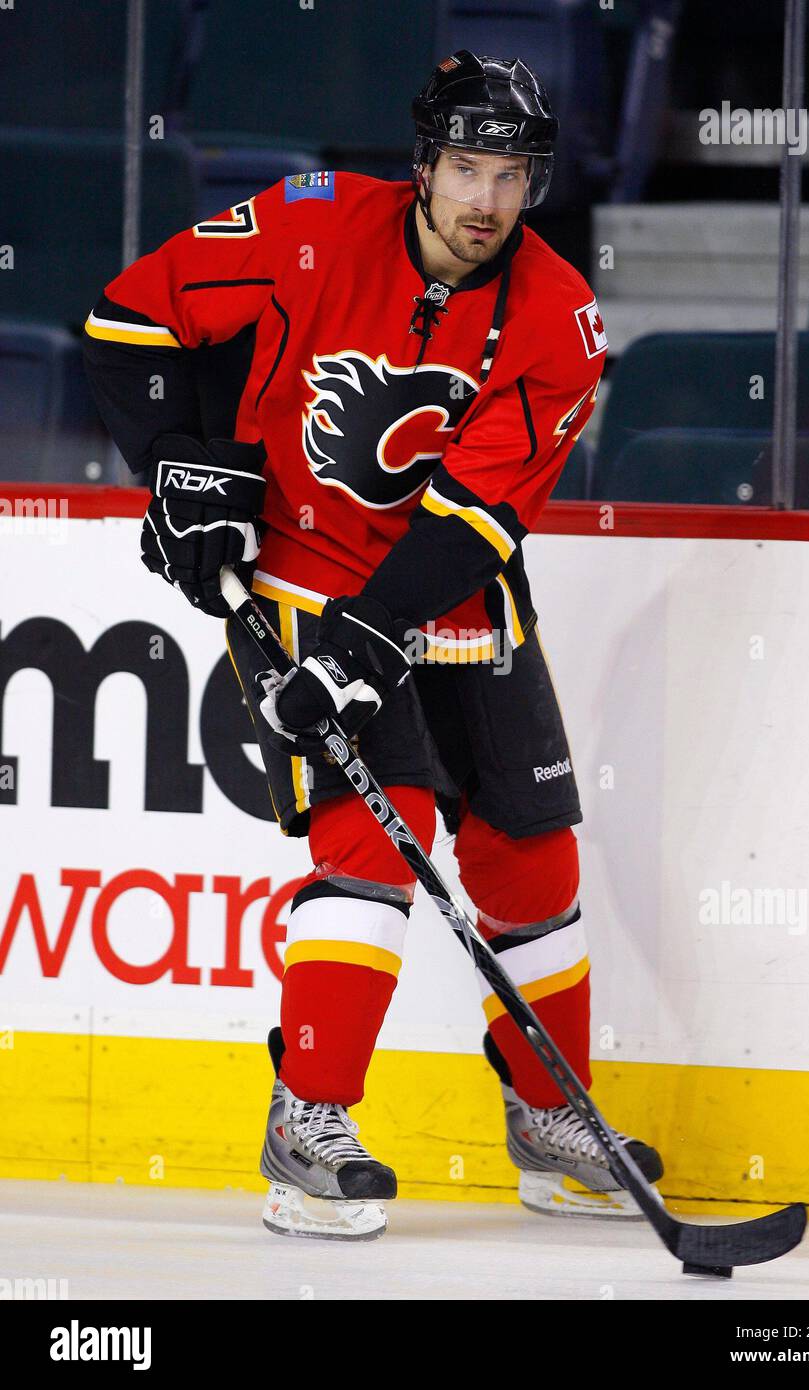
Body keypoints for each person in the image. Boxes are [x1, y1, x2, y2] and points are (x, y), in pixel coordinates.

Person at [83, 50, 663, 1240]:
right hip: (298, 577)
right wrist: (183, 473)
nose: (485, 200)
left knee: (532, 860)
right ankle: (308, 1121)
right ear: (423, 166)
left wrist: (371, 642)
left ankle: (556, 1125)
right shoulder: (312, 224)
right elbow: (130, 315)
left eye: (511, 174)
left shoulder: (563, 320)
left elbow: (472, 520)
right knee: (373, 842)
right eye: (465, 167)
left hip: (455, 598)